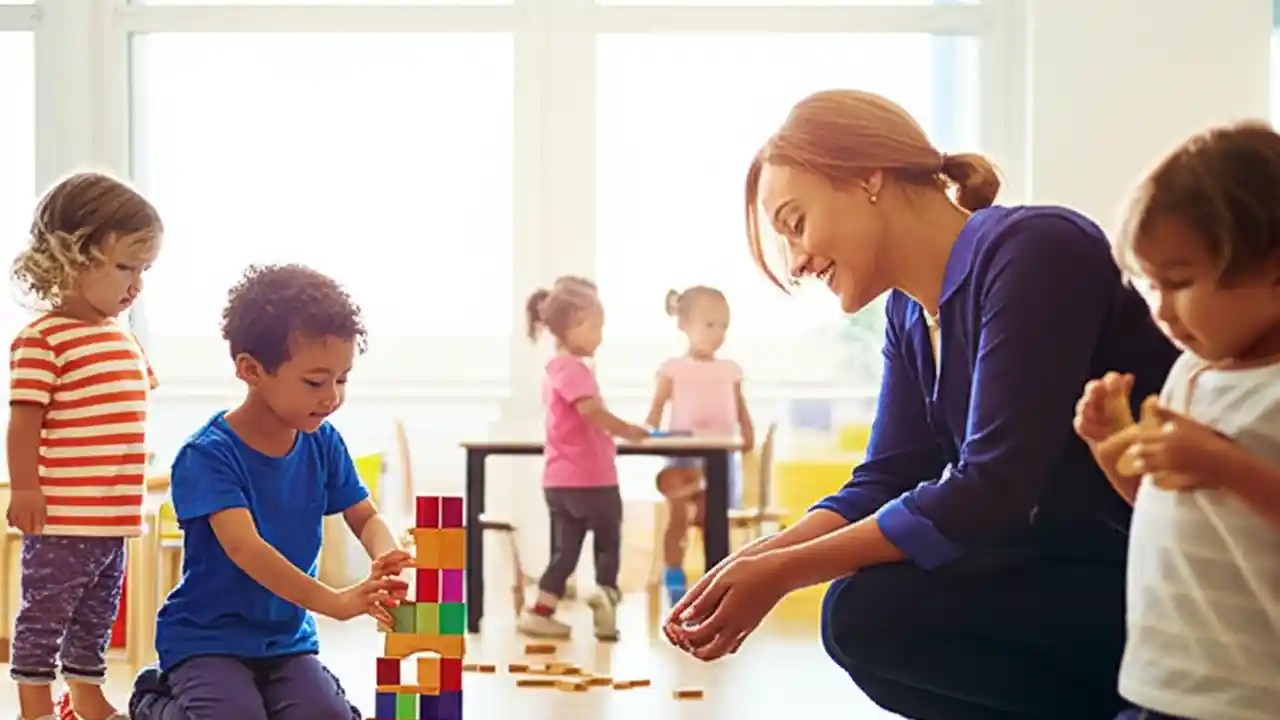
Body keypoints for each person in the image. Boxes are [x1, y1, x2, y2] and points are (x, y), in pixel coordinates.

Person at [663, 89, 1180, 719]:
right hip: (1066, 579)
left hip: (1161, 585)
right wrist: (760, 557)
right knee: (861, 618)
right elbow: (887, 477)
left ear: (867, 176)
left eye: (796, 223)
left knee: (871, 613)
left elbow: (993, 487)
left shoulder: (1036, 248)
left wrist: (786, 572)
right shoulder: (909, 314)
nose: (796, 262)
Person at [132, 264, 411, 719]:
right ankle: (153, 701)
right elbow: (246, 550)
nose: (333, 397)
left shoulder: (323, 441)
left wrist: (385, 552)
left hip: (284, 640)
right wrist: (336, 601)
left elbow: (364, 515)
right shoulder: (207, 455)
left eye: (342, 379)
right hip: (207, 640)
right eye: (315, 382)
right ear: (251, 370)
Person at [1074, 122, 1280, 720]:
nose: (1160, 310)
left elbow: (1228, 486)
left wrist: (1222, 463)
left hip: (1252, 698)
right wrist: (1115, 449)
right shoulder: (1190, 373)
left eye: (1181, 281)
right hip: (1162, 683)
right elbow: (1170, 511)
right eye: (1148, 284)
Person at [6, 171, 163, 720]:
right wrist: (25, 485)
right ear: (70, 256)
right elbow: (24, 420)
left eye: (144, 270)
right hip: (64, 517)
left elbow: (126, 409)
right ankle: (33, 702)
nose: (137, 284)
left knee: (98, 614)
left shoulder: (123, 337)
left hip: (113, 518)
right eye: (126, 267)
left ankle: (86, 692)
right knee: (46, 613)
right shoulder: (43, 339)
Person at [517, 276, 649, 642]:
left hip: (561, 480)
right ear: (573, 325)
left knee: (565, 553)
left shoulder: (558, 369)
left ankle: (540, 611)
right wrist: (629, 430)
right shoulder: (572, 369)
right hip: (590, 480)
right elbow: (590, 411)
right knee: (607, 546)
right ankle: (606, 602)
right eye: (596, 326)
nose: (601, 336)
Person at [645, 286, 754, 606]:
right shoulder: (673, 369)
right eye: (709, 325)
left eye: (723, 326)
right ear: (684, 325)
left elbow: (740, 410)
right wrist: (648, 435)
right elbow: (654, 414)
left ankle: (714, 584)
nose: (718, 333)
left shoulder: (729, 370)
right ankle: (673, 575)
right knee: (678, 510)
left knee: (711, 520)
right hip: (683, 458)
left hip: (718, 461)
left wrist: (747, 434)